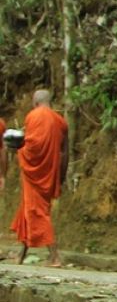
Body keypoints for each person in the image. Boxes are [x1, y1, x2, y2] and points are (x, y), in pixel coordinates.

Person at [11, 90, 68, 267]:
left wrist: (18, 150)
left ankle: (54, 255)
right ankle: (22, 253)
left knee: (37, 213)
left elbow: (31, 148)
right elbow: (65, 151)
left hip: (34, 173)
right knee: (29, 211)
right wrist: (61, 176)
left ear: (35, 103)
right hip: (50, 174)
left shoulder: (33, 116)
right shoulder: (61, 122)